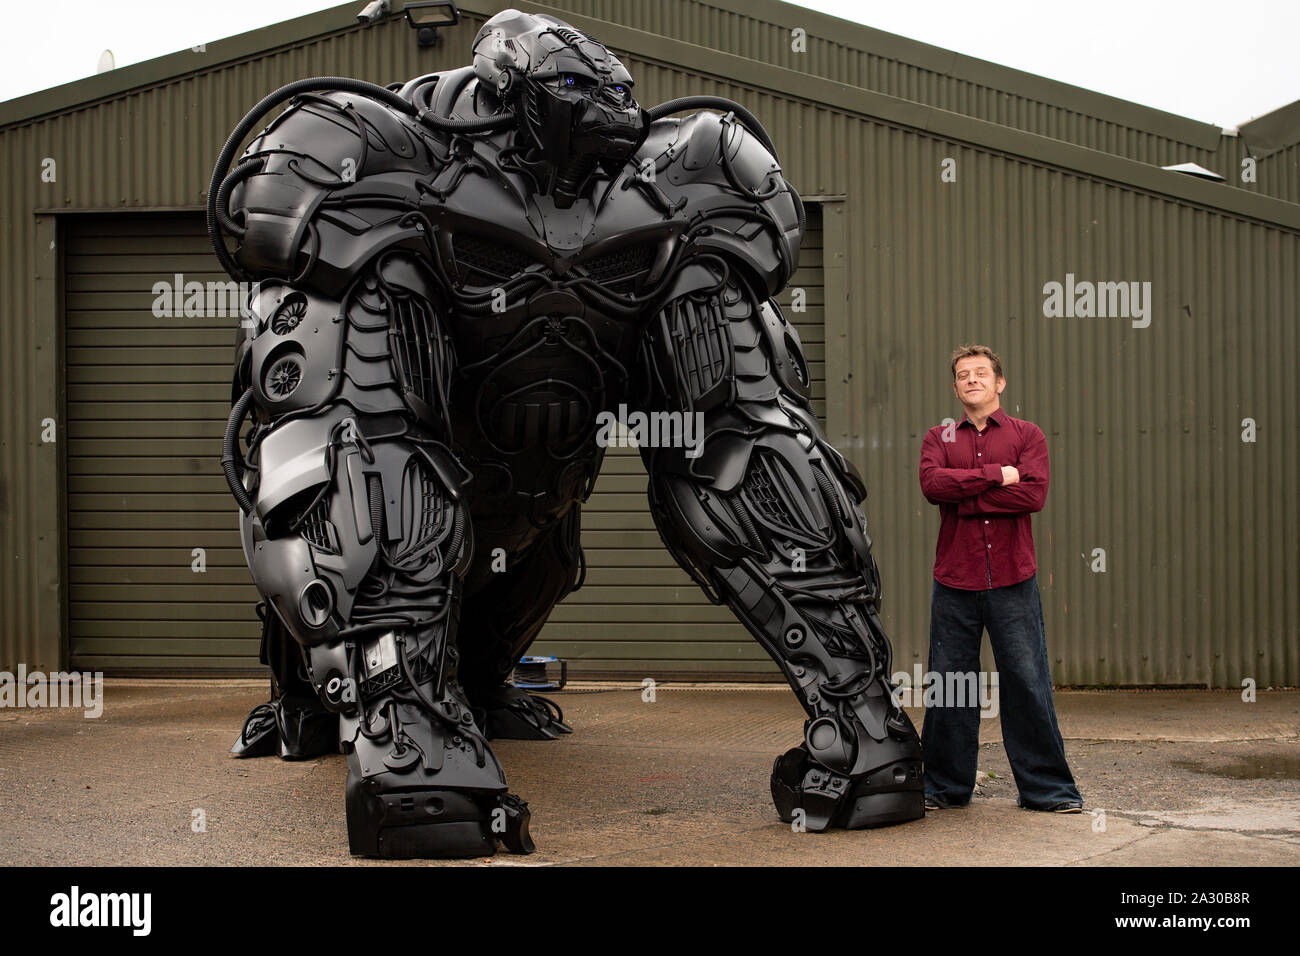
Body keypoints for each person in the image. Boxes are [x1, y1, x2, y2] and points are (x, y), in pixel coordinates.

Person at [917, 344, 1082, 813]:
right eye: (963, 375)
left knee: (1027, 683)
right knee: (951, 686)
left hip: (1013, 580)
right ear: (955, 387)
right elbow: (933, 486)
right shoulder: (938, 435)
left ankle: (1048, 791)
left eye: (981, 373)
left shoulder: (1028, 435)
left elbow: (1032, 496)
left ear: (999, 382)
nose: (972, 380)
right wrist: (996, 475)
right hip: (955, 581)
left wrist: (965, 493)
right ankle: (944, 789)